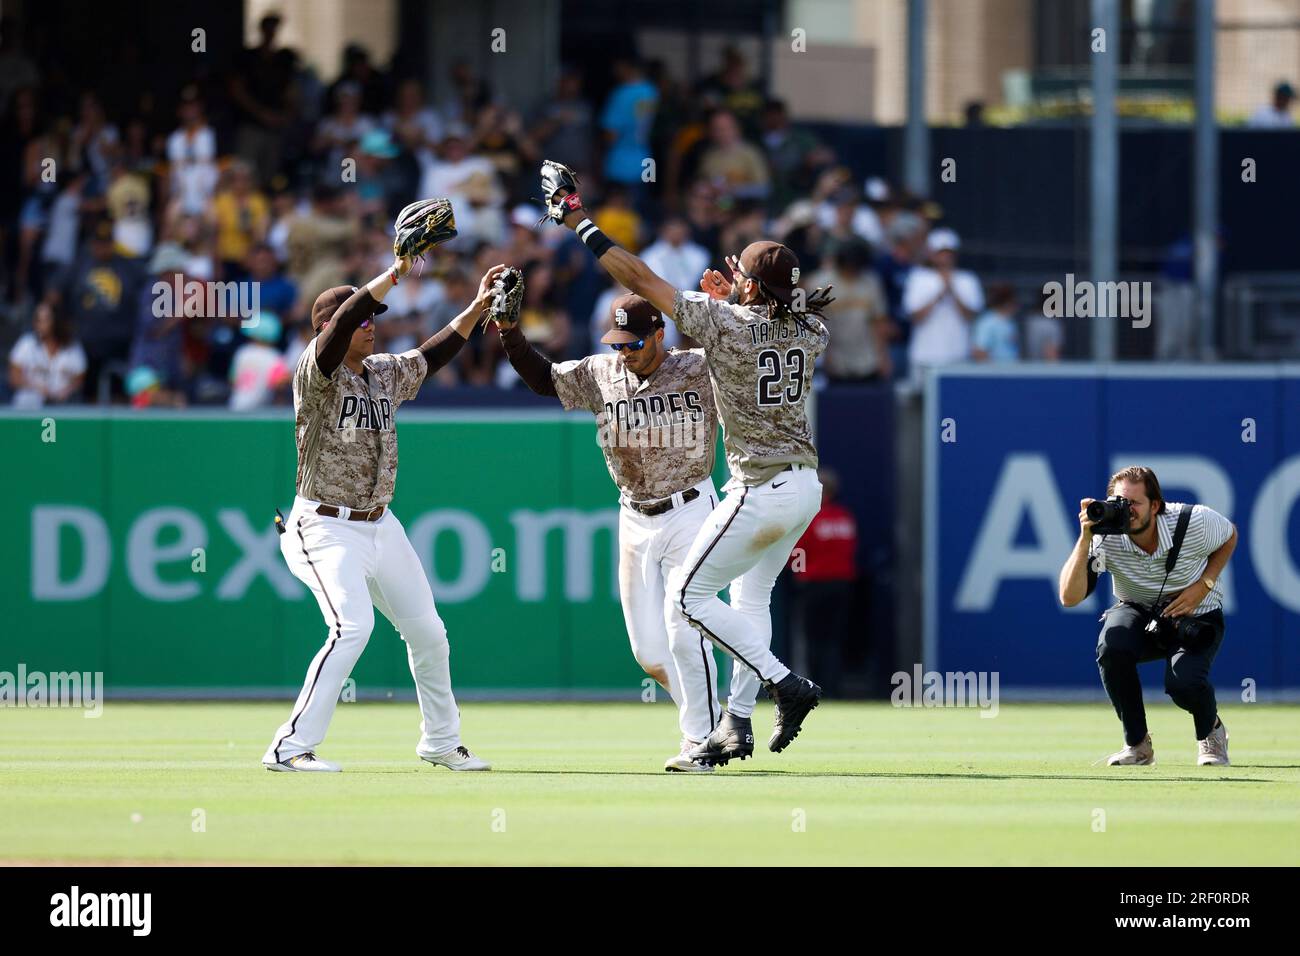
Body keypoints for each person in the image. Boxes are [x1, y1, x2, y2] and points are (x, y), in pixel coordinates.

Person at [537, 159, 830, 766]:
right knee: (751, 600)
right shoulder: (811, 331)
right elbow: (773, 323)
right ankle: (737, 724)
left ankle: (787, 685)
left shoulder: (722, 322)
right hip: (806, 488)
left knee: (686, 598)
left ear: (747, 287)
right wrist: (744, 298)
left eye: (741, 276)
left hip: (759, 484)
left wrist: (579, 222)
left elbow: (640, 278)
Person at [263, 248, 508, 773]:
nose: (371, 326)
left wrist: (476, 307)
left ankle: (441, 742)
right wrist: (397, 272)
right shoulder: (316, 372)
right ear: (331, 327)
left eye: (374, 318)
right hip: (324, 526)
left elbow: (432, 354)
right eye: (362, 319)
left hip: (380, 524)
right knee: (352, 627)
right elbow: (342, 324)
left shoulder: (382, 374)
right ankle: (288, 747)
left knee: (429, 633)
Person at [495, 290, 724, 771]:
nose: (625, 352)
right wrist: (511, 334)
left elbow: (747, 351)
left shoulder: (697, 367)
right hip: (635, 515)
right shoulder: (602, 373)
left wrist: (742, 303)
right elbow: (544, 380)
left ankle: (702, 740)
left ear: (660, 335)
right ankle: (710, 718)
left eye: (634, 343)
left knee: (685, 626)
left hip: (690, 508)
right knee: (648, 652)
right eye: (618, 343)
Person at [1058, 466, 1237, 767]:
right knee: (1112, 646)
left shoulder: (1193, 521)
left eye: (1134, 503)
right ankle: (1138, 746)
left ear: (1155, 505)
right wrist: (1085, 537)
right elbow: (1069, 596)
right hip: (1139, 612)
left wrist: (1204, 584)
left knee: (1183, 685)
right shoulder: (1106, 537)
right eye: (1118, 502)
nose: (1125, 510)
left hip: (1195, 614)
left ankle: (1211, 731)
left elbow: (1229, 536)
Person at [789, 470, 858, 697]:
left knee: (813, 639)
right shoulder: (845, 517)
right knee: (834, 638)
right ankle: (834, 687)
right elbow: (851, 550)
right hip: (842, 584)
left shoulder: (811, 517)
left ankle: (815, 688)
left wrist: (797, 573)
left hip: (814, 585)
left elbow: (796, 551)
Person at [903, 228, 982, 379]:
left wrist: (952, 290)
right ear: (931, 254)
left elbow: (970, 316)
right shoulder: (918, 278)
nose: (945, 257)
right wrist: (939, 293)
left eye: (949, 253)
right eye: (941, 252)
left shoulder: (968, 279)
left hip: (958, 356)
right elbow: (916, 317)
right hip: (925, 356)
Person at [8, 298, 86, 407]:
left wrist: (65, 391)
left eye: (45, 320)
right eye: (37, 320)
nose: (39, 325)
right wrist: (36, 388)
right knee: (27, 398)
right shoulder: (27, 343)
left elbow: (79, 380)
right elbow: (14, 378)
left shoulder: (72, 346)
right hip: (30, 405)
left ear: (56, 321)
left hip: (63, 404)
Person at [970, 282, 1020, 362]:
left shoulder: (1010, 322)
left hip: (1010, 371)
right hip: (996, 373)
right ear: (1007, 303)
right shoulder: (986, 323)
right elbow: (979, 352)